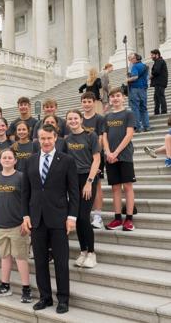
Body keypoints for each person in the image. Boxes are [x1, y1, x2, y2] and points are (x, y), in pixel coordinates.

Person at [22, 124, 79, 314]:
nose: (45, 141)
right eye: (42, 138)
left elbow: (74, 192)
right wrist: (25, 215)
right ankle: (45, 297)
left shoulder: (67, 160)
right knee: (39, 261)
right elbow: (25, 192)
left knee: (61, 262)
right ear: (37, 140)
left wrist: (72, 217)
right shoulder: (30, 161)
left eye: (49, 138)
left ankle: (63, 299)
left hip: (59, 218)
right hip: (37, 219)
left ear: (55, 138)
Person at [0, 148, 32, 303]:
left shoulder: (21, 177)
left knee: (21, 258)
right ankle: (5, 286)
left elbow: (29, 200)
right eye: (4, 157)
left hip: (18, 226)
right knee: (5, 257)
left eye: (9, 157)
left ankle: (26, 289)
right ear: (0, 161)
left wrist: (26, 221)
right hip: (0, 225)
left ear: (15, 161)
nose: (6, 159)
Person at [66, 110, 100, 268]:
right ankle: (83, 251)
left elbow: (96, 159)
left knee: (84, 216)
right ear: (67, 121)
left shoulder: (91, 136)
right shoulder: (67, 139)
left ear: (81, 119)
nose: (73, 121)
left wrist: (89, 181)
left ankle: (92, 253)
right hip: (73, 180)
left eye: (75, 118)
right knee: (76, 217)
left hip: (88, 178)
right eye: (69, 119)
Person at [103, 87, 136, 231]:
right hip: (110, 157)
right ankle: (117, 219)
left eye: (118, 96)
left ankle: (129, 219)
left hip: (124, 156)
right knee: (115, 188)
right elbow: (104, 136)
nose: (115, 98)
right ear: (110, 100)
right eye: (112, 97)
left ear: (123, 98)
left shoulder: (128, 114)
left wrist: (115, 152)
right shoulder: (107, 117)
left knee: (127, 186)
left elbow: (129, 135)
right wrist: (108, 152)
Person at [81, 92, 105, 230]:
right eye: (84, 101)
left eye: (89, 101)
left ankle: (98, 216)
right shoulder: (79, 119)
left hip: (95, 157)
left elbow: (100, 139)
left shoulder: (99, 119)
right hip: (81, 158)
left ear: (94, 103)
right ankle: (85, 213)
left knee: (97, 185)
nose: (87, 104)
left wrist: (94, 157)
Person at [127, 53, 150, 132]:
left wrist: (127, 79)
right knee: (144, 108)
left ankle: (138, 127)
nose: (130, 61)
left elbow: (135, 77)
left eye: (130, 59)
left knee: (135, 108)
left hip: (135, 89)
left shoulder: (135, 66)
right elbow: (148, 77)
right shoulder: (145, 66)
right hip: (143, 88)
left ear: (134, 59)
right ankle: (146, 126)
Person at [150, 49, 168, 115]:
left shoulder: (159, 61)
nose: (151, 57)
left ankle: (164, 111)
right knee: (156, 97)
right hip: (159, 82)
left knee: (160, 96)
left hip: (160, 82)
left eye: (152, 55)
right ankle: (156, 112)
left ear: (157, 54)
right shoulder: (159, 61)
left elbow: (156, 71)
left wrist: (151, 75)